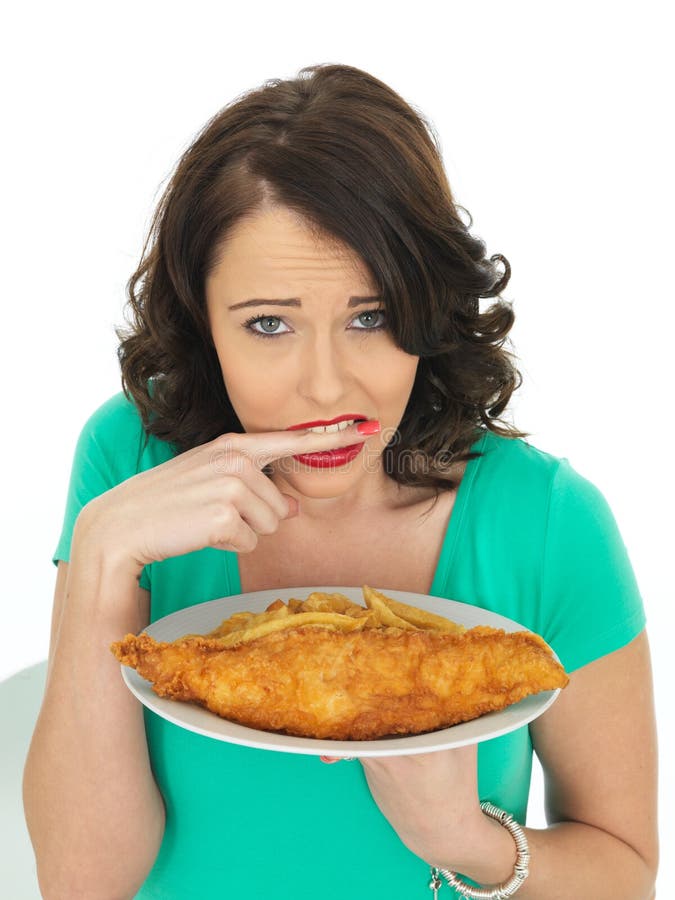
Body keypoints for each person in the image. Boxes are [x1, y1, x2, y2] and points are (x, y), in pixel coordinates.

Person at [23, 63, 658, 899]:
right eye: (268, 324)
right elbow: (80, 884)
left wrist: (463, 839)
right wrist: (102, 555)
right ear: (201, 324)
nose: (325, 388)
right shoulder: (134, 460)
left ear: (428, 311)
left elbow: (626, 874)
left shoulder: (545, 520)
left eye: (371, 317)